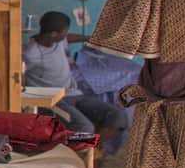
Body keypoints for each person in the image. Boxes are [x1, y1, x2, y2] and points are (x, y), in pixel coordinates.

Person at [23, 11, 127, 145]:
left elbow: (69, 38)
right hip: (55, 101)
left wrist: (88, 38)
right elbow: (18, 75)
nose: (66, 35)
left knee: (118, 117)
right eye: (64, 32)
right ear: (54, 34)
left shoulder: (58, 42)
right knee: (85, 128)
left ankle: (90, 149)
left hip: (74, 95)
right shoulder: (31, 54)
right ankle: (76, 151)